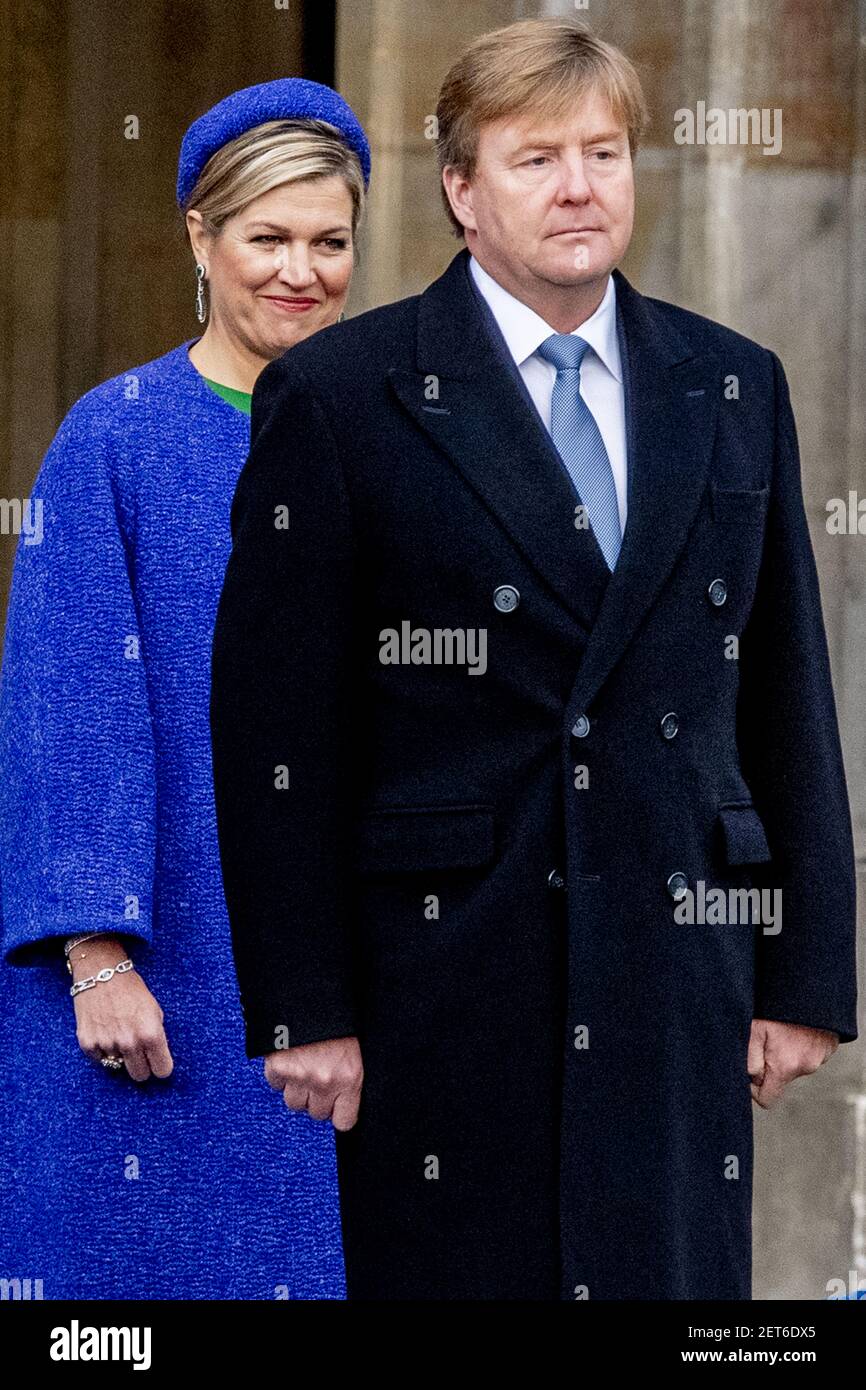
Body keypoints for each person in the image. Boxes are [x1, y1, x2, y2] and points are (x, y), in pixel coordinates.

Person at [209, 21, 858, 1301]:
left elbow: (785, 691)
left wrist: (803, 975)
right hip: (447, 973)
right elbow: (278, 728)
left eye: (604, 153)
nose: (579, 187)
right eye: (537, 157)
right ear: (460, 189)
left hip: (674, 964)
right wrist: (305, 1003)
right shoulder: (342, 395)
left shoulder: (731, 384)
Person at [0, 77, 370, 1299]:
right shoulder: (112, 437)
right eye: (266, 238)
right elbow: (67, 704)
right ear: (199, 241)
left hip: (350, 970)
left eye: (328, 241)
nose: (299, 272)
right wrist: (97, 953)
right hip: (166, 976)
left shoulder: (393, 435)